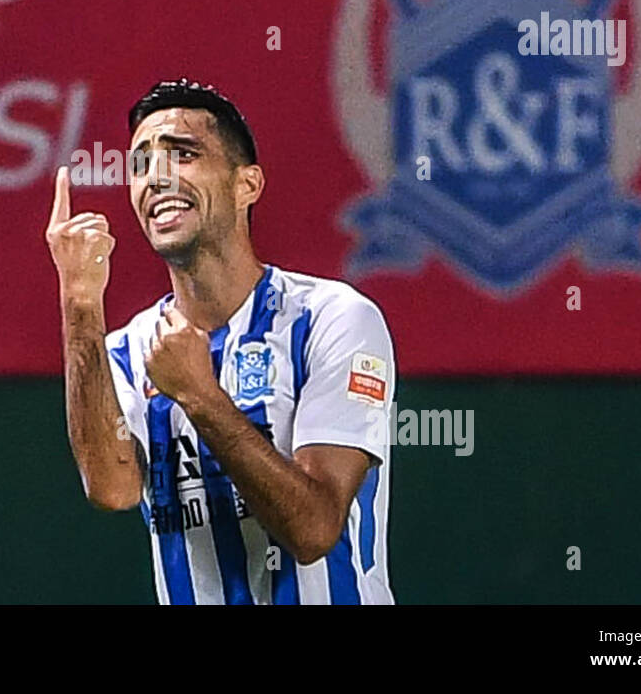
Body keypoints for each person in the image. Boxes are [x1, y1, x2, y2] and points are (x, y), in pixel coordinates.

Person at [45, 78, 397, 604]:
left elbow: (314, 529)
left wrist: (199, 394)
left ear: (246, 185)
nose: (156, 177)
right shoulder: (124, 350)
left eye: (183, 154)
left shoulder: (333, 319)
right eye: (140, 164)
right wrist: (79, 303)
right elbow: (111, 487)